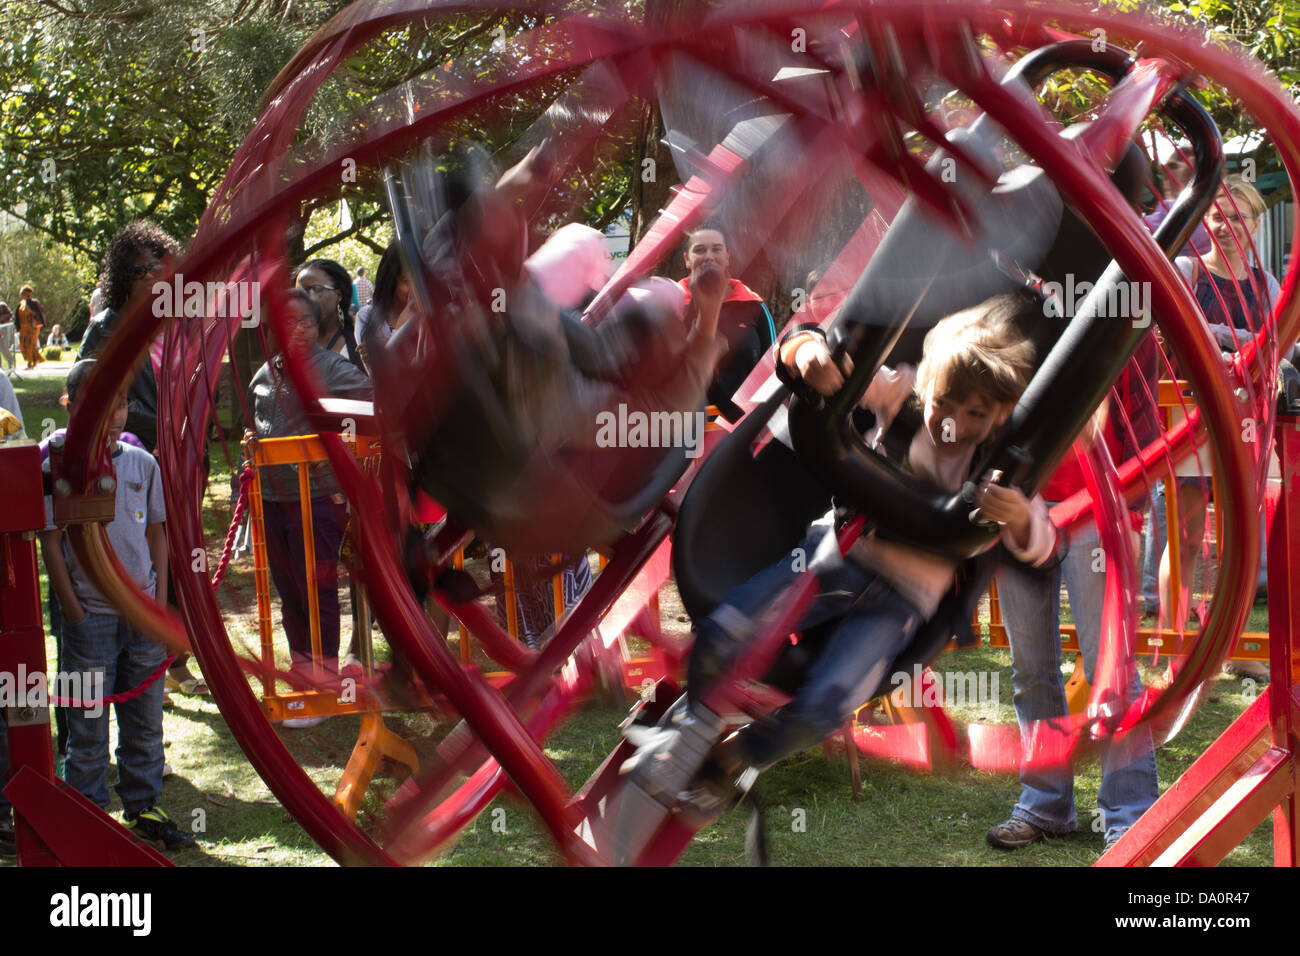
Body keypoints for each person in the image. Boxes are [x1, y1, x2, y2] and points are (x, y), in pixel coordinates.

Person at [640, 292, 1055, 818]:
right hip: (837, 557)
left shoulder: (998, 466)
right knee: (725, 628)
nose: (952, 423)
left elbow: (1039, 540)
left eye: (975, 414)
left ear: (1001, 415)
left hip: (899, 603)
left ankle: (735, 759)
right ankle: (691, 724)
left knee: (827, 706)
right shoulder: (905, 393)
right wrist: (806, 352)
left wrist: (1017, 517)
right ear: (927, 382)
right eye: (943, 404)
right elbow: (818, 353)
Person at [986, 407, 1159, 853]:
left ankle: (1130, 816)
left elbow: (1141, 418)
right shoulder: (1016, 334)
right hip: (1020, 507)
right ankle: (1045, 805)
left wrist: (1132, 512)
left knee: (1111, 669)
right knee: (1030, 668)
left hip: (1098, 506)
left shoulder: (1127, 332)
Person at [39, 360, 195, 850]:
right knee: (86, 724)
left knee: (146, 722)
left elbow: (156, 534)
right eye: (99, 405)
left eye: (121, 403)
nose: (114, 416)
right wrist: (74, 610)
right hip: (90, 619)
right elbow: (49, 542)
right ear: (72, 406)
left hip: (142, 615)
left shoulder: (142, 464)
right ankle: (86, 811)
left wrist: (160, 601)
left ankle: (144, 805)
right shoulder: (54, 468)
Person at [80, 220, 207, 699]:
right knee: (144, 555)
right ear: (121, 277)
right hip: (133, 462)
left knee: (183, 556)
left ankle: (176, 658)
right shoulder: (107, 327)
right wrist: (141, 438)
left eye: (160, 264)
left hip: (183, 456)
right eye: (140, 269)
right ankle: (144, 661)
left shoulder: (180, 320)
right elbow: (90, 395)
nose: (153, 274)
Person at [1155, 176, 1279, 643]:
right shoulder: (1186, 271)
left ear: (1252, 224)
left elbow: (1280, 349)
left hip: (1246, 423)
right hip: (1186, 417)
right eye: (1216, 216)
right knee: (1184, 538)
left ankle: (1233, 647)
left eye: (1236, 217)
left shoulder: (1264, 282)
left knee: (1238, 547)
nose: (1225, 226)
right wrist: (1243, 344)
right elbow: (1177, 330)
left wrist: (1226, 342)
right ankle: (1174, 648)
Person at [250, 289, 372, 727]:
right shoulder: (262, 377)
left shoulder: (334, 369)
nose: (295, 330)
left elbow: (371, 410)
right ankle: (304, 682)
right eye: (286, 323)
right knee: (288, 596)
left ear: (317, 325)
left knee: (317, 591)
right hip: (272, 502)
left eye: (304, 321)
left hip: (317, 499)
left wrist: (343, 473)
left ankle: (324, 684)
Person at [676, 225, 777, 419]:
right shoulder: (671, 304)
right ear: (687, 260)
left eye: (716, 249)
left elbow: (771, 368)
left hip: (742, 429)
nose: (709, 256)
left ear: (727, 257)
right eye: (699, 250)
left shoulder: (753, 304)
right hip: (683, 431)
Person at [294, 258, 364, 371]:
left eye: (314, 289)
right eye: (298, 292)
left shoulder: (359, 344)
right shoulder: (290, 343)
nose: (304, 298)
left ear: (338, 295)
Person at [354, 242, 414, 371]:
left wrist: (389, 347)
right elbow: (377, 377)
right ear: (389, 280)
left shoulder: (430, 314)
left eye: (421, 280)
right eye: (407, 282)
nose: (415, 290)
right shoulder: (366, 317)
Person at [16, 284, 46, 370]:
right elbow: (18, 317)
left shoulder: (34, 303)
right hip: (23, 329)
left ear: (26, 295)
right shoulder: (21, 304)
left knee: (30, 345)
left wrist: (31, 311)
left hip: (32, 328)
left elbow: (39, 314)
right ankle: (35, 360)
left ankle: (31, 363)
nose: (20, 295)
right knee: (22, 345)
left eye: (22, 294)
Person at [0, 301, 15, 374]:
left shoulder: (2, 305)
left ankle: (11, 364)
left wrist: (1, 319)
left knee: (4, 349)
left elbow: (10, 315)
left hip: (2, 330)